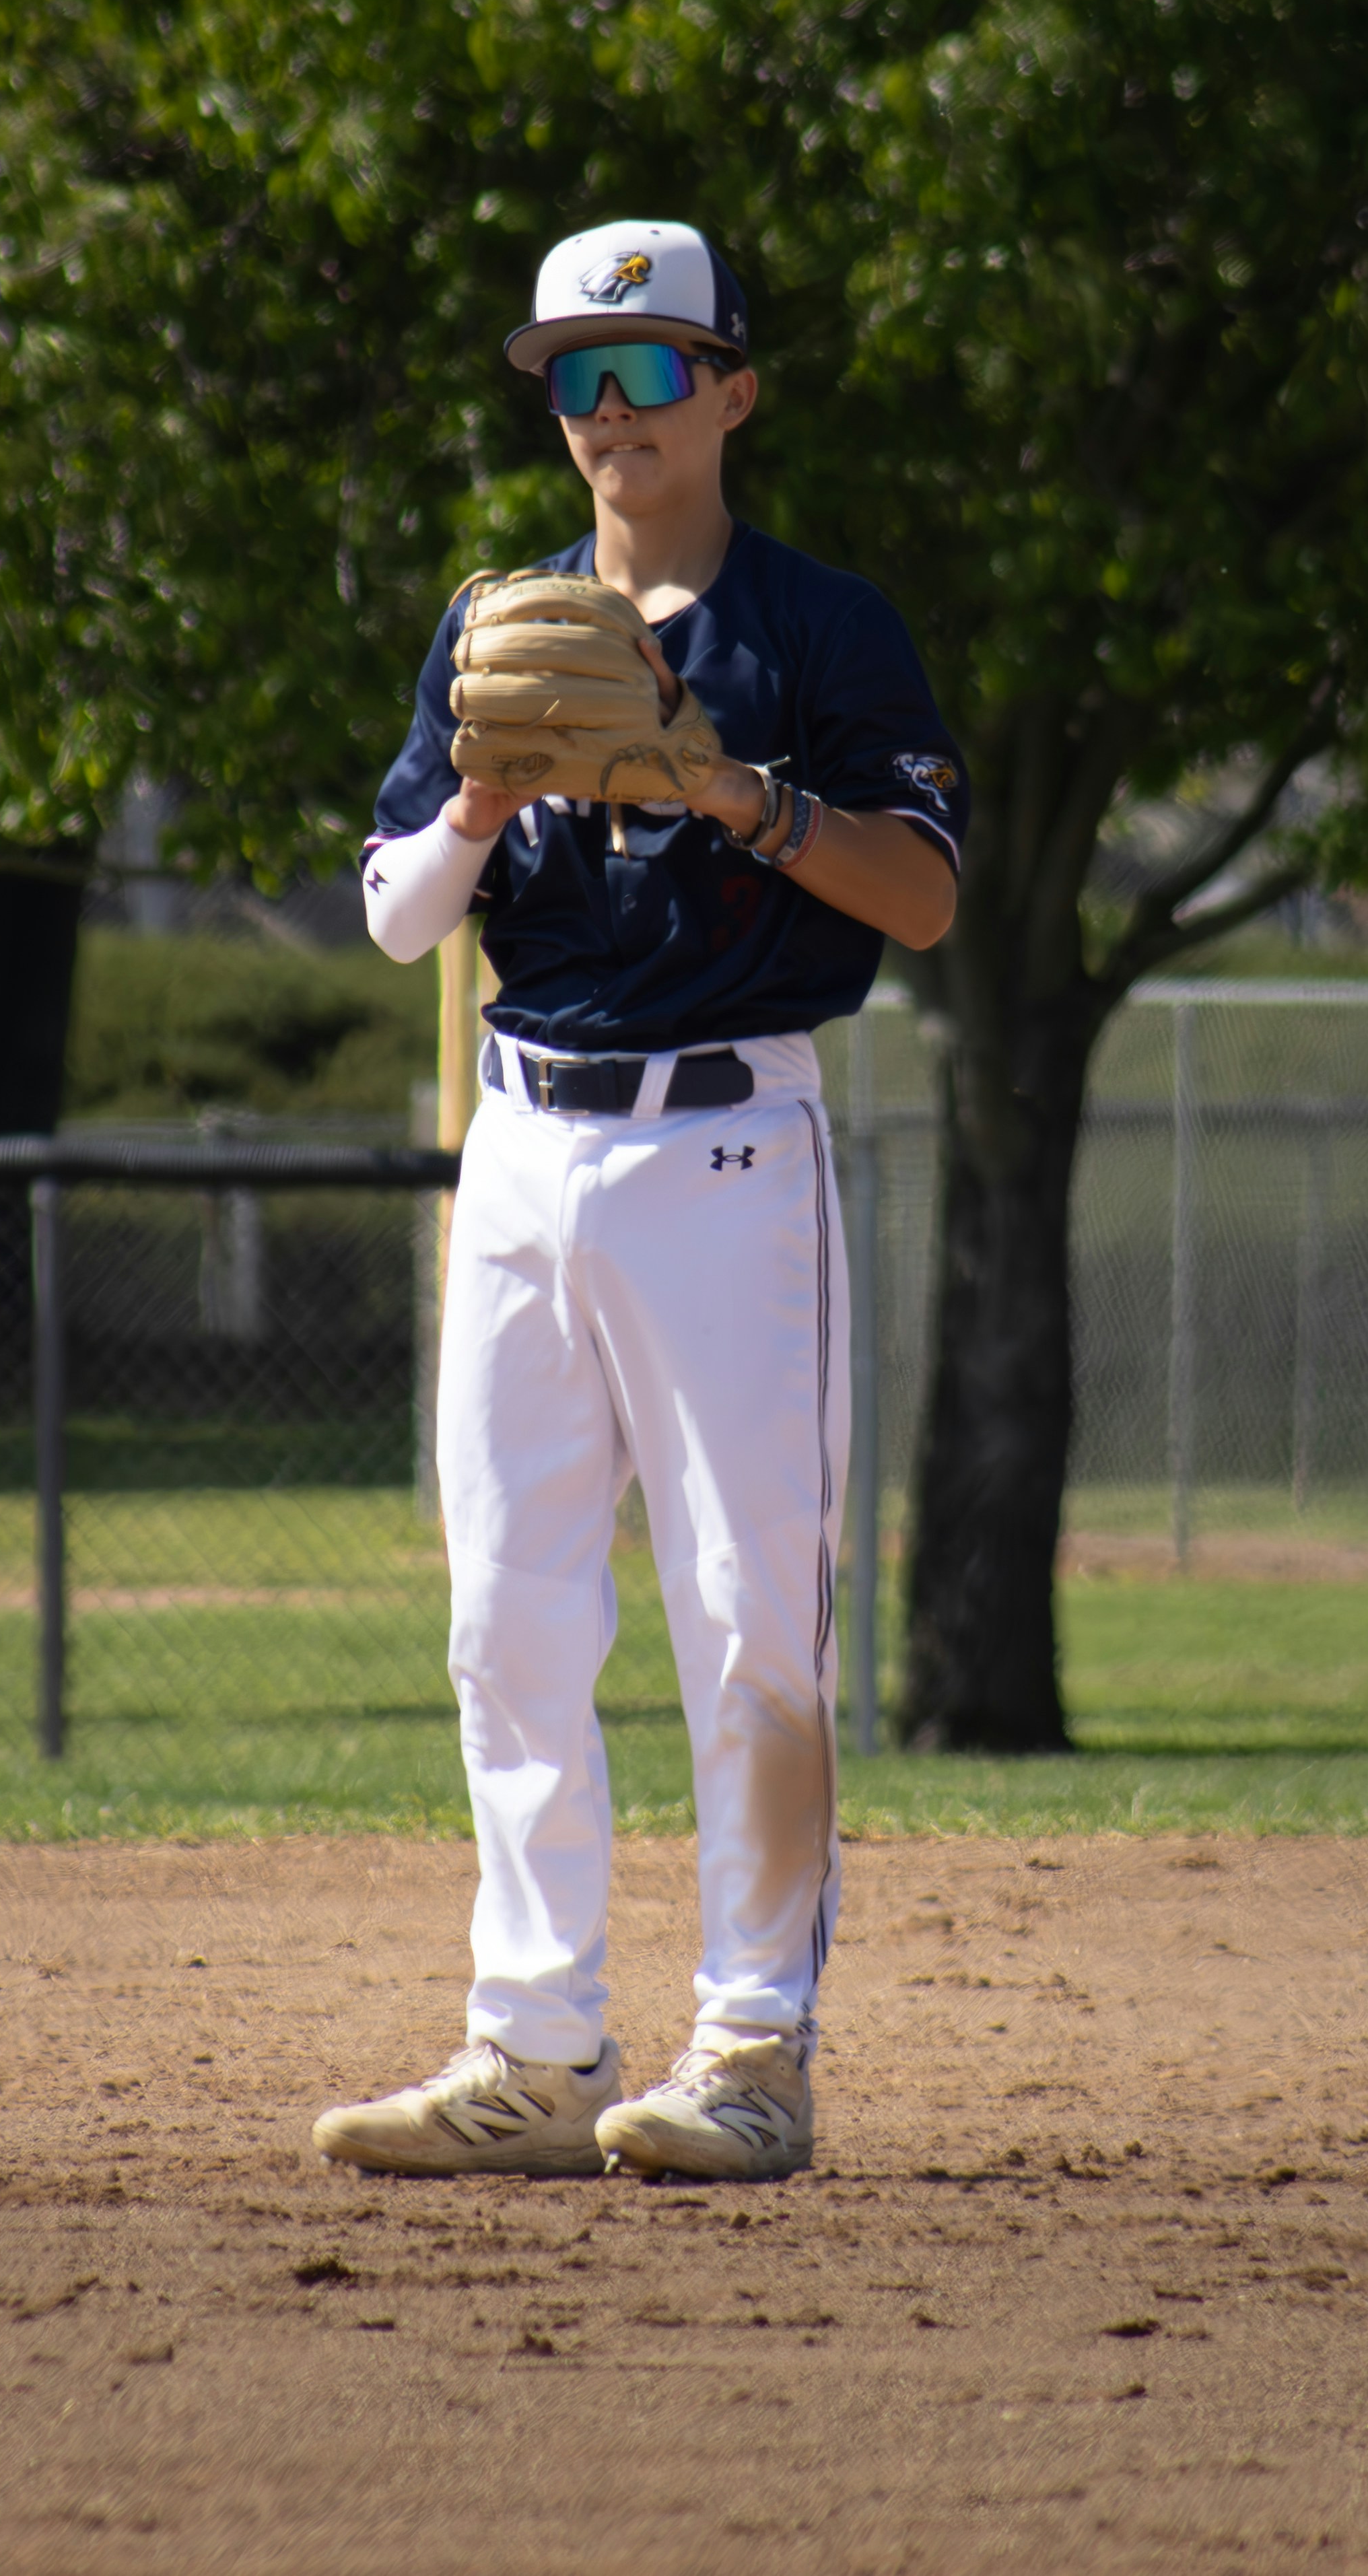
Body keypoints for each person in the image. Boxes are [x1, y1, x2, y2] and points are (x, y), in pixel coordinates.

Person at [314, 218, 967, 2183]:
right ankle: (531, 2048)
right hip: (522, 1145)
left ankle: (753, 2053)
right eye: (574, 379)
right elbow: (392, 917)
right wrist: (483, 801)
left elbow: (925, 897)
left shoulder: (819, 629)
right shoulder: (491, 625)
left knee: (747, 1621)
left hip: (724, 1150)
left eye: (650, 368)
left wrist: (727, 789)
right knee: (508, 1615)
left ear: (734, 390)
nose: (609, 412)